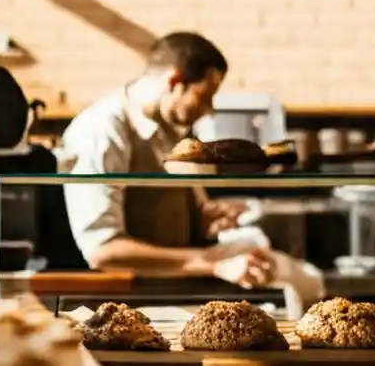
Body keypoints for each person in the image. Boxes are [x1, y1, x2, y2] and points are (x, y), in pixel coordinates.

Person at [60, 32, 275, 287]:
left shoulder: (176, 128)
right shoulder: (102, 131)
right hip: (123, 306)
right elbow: (103, 251)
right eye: (204, 97)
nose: (209, 110)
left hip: (176, 294)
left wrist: (204, 217)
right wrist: (211, 262)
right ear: (174, 81)